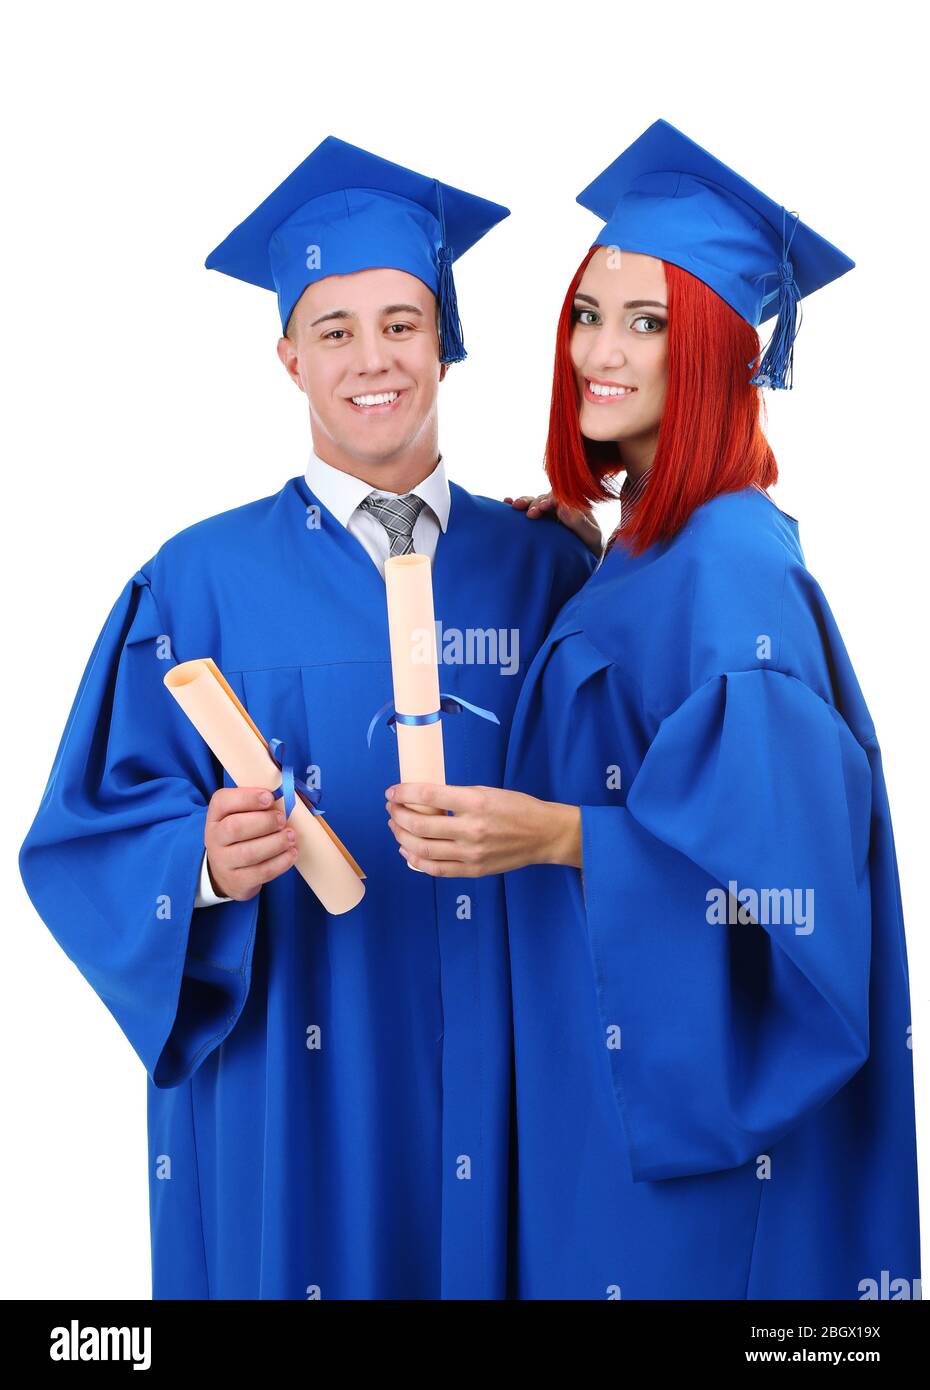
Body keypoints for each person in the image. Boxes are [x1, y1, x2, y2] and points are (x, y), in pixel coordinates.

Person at [18, 136, 597, 1300]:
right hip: (294, 1068)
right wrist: (203, 868)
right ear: (288, 355)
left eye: (401, 321)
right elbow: (82, 837)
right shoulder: (196, 582)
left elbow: (641, 809)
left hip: (515, 1077)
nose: (372, 359)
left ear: (444, 338)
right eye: (335, 330)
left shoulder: (550, 571)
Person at [385, 119, 922, 1299]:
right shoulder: (649, 550)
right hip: (598, 1095)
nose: (597, 351)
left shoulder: (733, 569)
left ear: (730, 355)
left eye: (649, 322)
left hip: (680, 1142)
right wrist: (583, 571)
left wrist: (561, 834)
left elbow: (792, 893)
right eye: (588, 313)